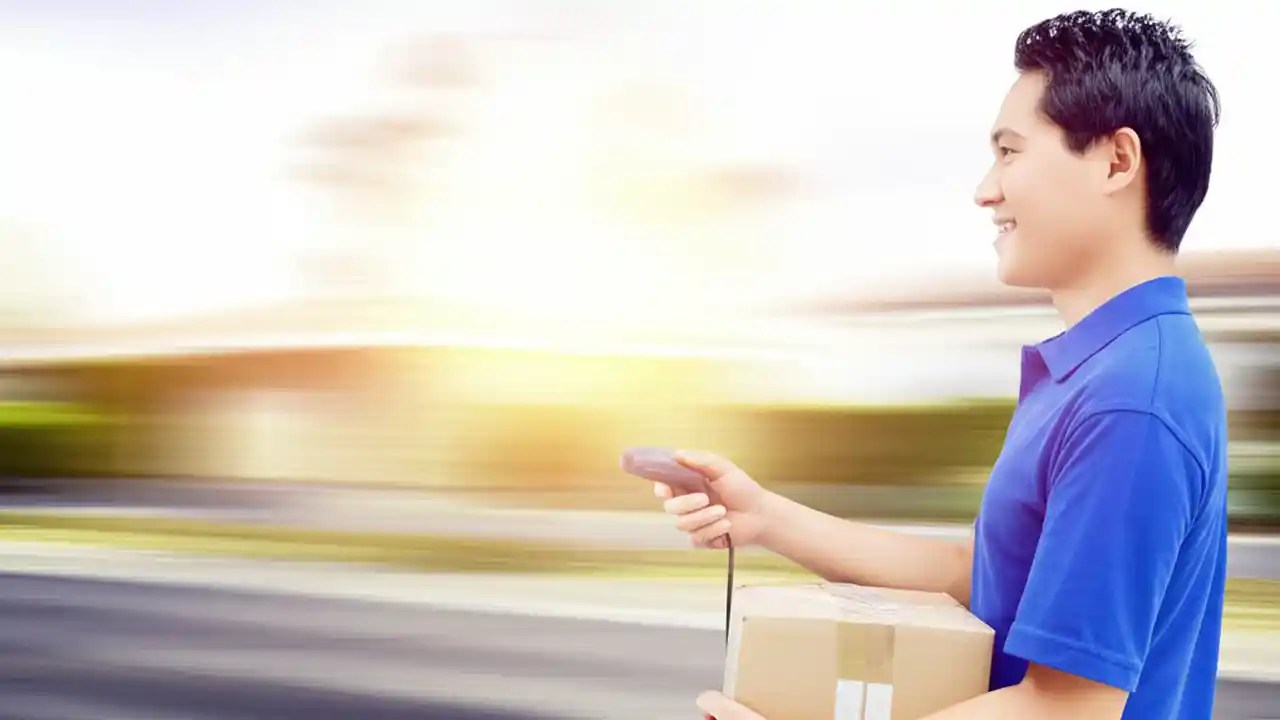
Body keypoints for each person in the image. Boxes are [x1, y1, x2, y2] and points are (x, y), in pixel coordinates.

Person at [666, 9, 1226, 720]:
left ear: (1116, 161)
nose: (985, 189)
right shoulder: (1103, 372)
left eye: (1011, 152)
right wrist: (765, 517)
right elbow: (982, 576)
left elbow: (1065, 710)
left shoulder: (1131, 400)